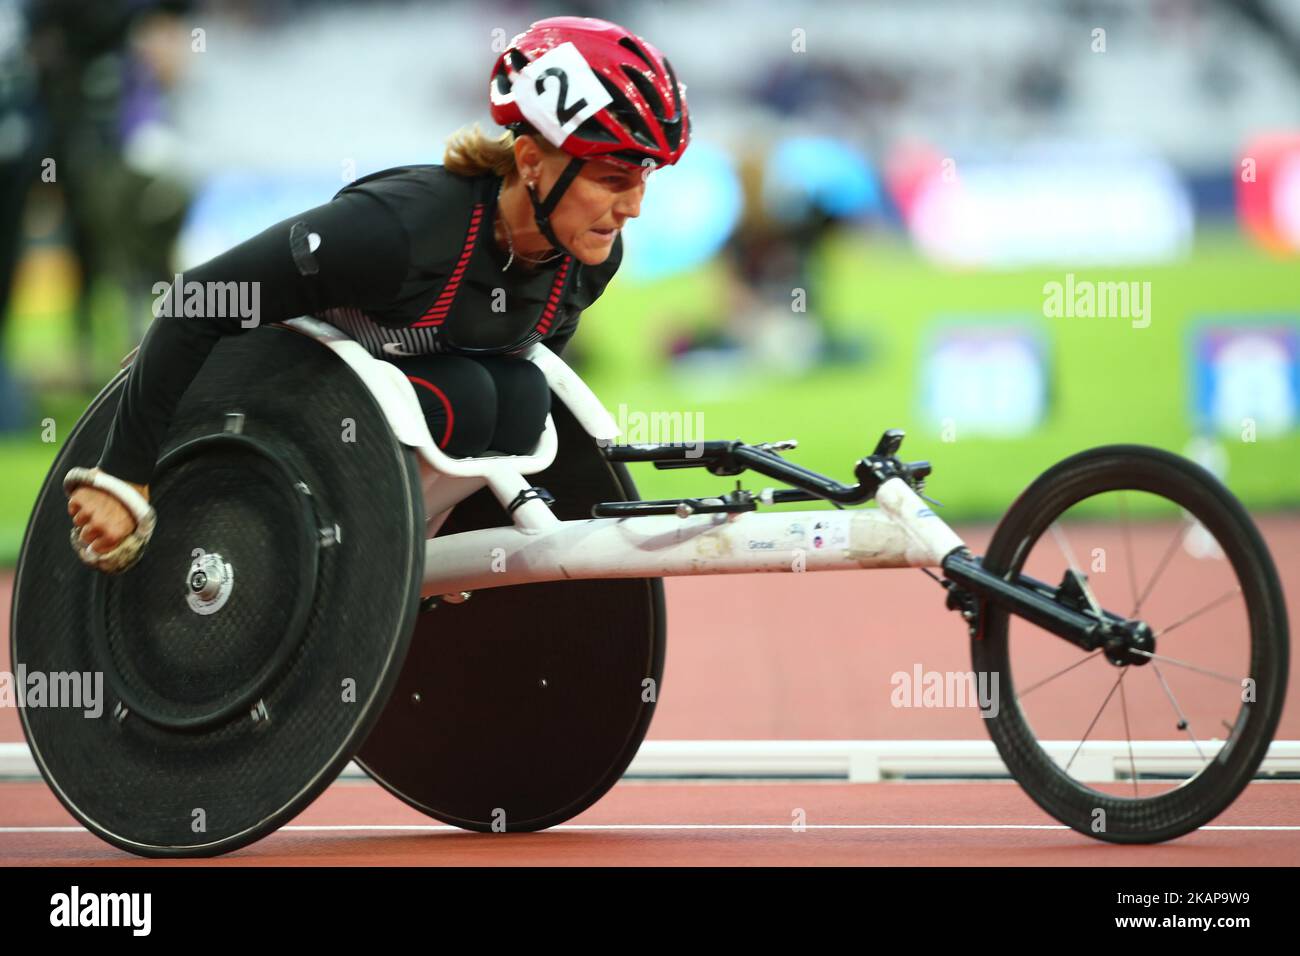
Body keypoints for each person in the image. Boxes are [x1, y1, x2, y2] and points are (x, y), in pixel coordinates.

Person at [64, 15, 690, 572]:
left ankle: (391, 558)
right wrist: (122, 475)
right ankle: (319, 555)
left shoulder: (587, 261)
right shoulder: (398, 231)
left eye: (643, 180)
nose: (632, 208)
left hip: (371, 440)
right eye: (613, 179)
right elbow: (196, 300)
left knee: (523, 398)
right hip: (251, 407)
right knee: (468, 397)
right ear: (530, 159)